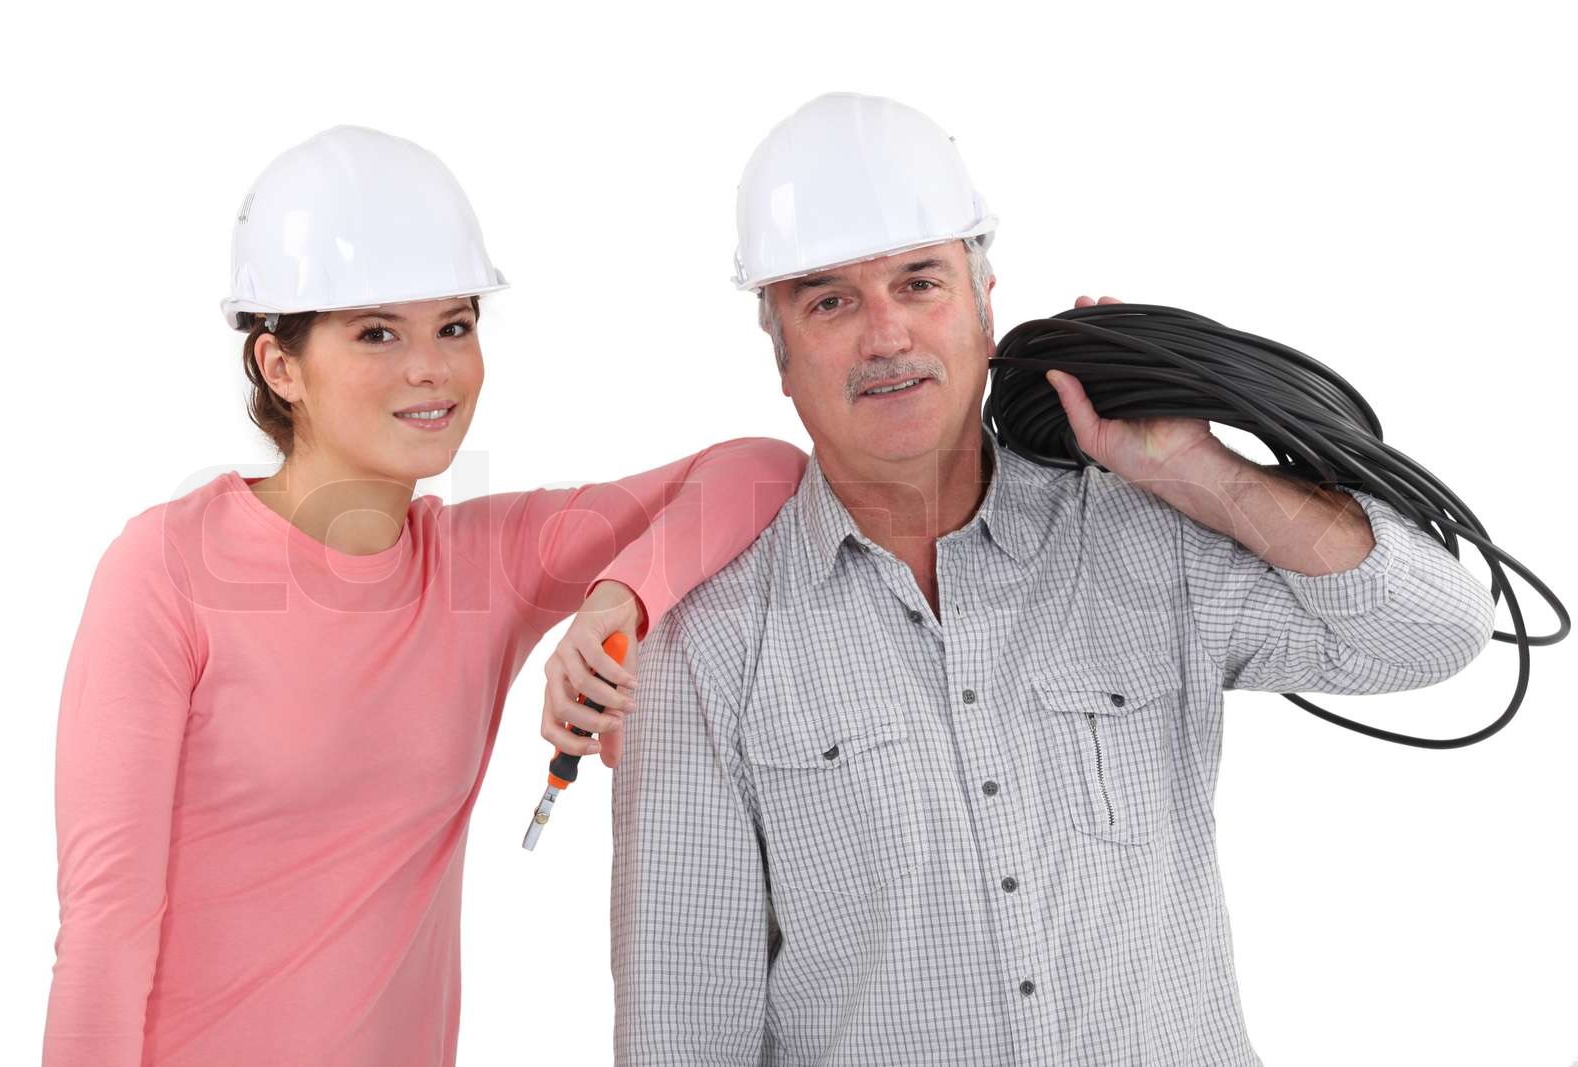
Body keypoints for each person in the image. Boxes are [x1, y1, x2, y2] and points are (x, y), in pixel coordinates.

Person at [610, 92, 1498, 1065]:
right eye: (828, 300)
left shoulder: (1147, 539)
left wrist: (1198, 470)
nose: (885, 336)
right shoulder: (714, 642)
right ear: (779, 351)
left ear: (987, 306)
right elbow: (683, 1023)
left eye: (919, 283)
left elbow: (1436, 633)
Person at [42, 125, 805, 1067]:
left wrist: (617, 600)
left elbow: (763, 468)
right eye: (376, 333)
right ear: (280, 366)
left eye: (454, 324)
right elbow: (105, 925)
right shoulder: (166, 571)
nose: (430, 367)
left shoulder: (480, 566)